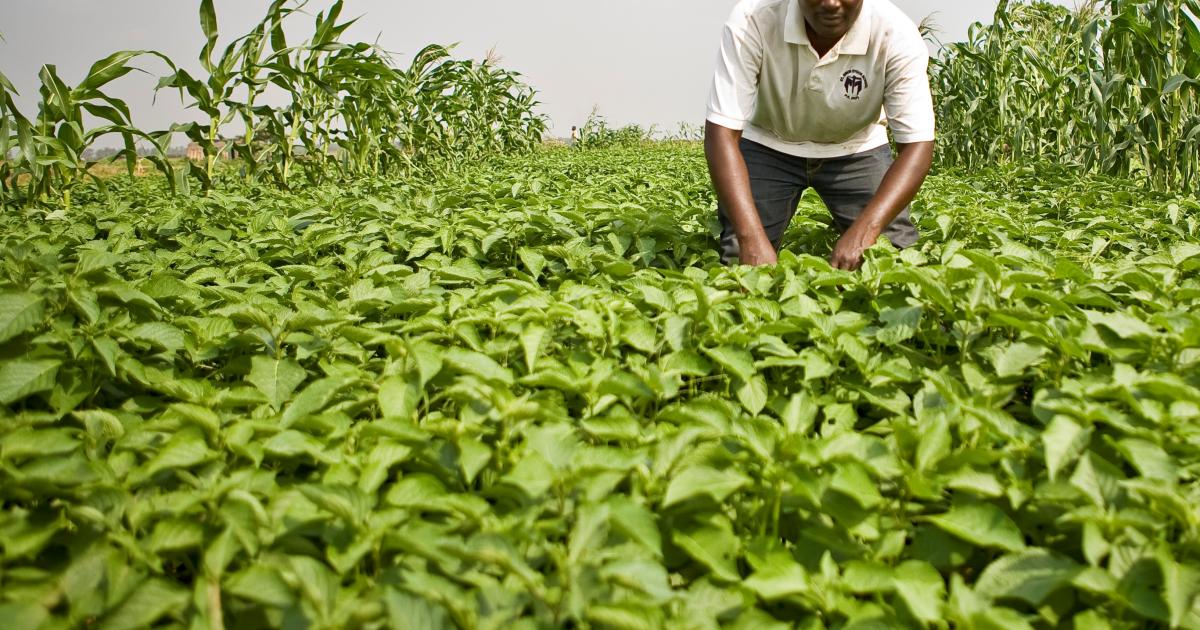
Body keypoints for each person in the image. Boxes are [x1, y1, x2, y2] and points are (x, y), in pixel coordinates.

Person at [705, 0, 935, 270]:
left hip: (856, 148)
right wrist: (749, 237)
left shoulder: (896, 33)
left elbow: (917, 146)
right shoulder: (753, 18)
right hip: (769, 143)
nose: (830, 3)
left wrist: (866, 231)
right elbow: (721, 132)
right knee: (741, 262)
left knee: (890, 257)